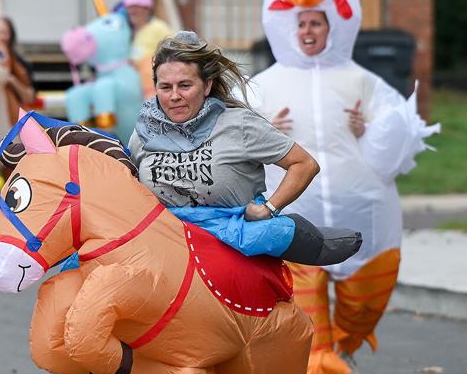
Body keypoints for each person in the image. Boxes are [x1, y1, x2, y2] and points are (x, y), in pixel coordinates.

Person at [251, 0, 435, 374]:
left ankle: (343, 350)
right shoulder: (261, 88)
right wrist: (266, 132)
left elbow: (402, 144)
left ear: (332, 25)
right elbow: (231, 139)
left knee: (364, 305)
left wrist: (370, 128)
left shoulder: (363, 81)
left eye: (317, 23)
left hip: (365, 218)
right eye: (302, 23)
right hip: (297, 217)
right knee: (305, 303)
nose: (309, 31)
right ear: (288, 26)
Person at [129, 31, 360, 266]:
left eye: (185, 85)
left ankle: (313, 242)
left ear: (207, 85)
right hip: (168, 245)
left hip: (235, 247)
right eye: (165, 87)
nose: (175, 96)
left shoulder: (238, 124)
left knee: (273, 233)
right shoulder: (144, 132)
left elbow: (304, 164)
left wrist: (269, 208)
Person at [122, 0, 172, 97]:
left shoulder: (159, 28)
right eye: (130, 7)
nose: (133, 11)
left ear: (147, 8)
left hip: (151, 89)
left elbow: (172, 54)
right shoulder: (125, 30)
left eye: (137, 6)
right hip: (129, 90)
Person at [0, 15, 36, 109]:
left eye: (5, 33)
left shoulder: (20, 63)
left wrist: (12, 80)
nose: (2, 37)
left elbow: (30, 98)